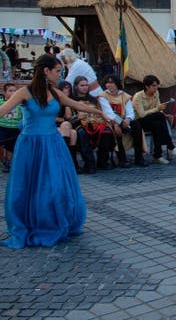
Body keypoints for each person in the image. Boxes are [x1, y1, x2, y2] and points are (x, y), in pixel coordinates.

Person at [0, 54, 107, 249]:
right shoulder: (25, 92)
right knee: (30, 185)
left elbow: (75, 105)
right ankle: (34, 222)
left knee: (55, 183)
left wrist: (99, 112)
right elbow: (4, 108)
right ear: (46, 71)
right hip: (30, 144)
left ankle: (53, 220)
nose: (60, 74)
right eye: (58, 71)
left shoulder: (56, 92)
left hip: (53, 143)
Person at [133, 75, 176, 165]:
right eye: (153, 86)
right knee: (159, 117)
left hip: (152, 119)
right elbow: (141, 114)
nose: (156, 88)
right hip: (139, 121)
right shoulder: (138, 96)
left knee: (157, 124)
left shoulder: (156, 93)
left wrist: (165, 114)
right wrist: (158, 110)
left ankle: (158, 155)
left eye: (157, 85)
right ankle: (171, 147)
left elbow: (158, 108)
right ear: (146, 86)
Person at [98, 75, 146, 168]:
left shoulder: (125, 96)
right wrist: (118, 123)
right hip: (109, 121)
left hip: (123, 120)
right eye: (107, 83)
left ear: (116, 84)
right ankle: (122, 159)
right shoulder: (103, 96)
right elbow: (108, 113)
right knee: (117, 130)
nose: (109, 85)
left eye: (112, 82)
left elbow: (130, 111)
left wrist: (128, 119)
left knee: (136, 126)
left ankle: (139, 157)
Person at [55, 80, 80, 171]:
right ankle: (66, 160)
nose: (67, 90)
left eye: (69, 88)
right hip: (55, 125)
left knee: (73, 133)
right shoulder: (55, 102)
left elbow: (68, 116)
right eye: (65, 88)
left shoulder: (70, 102)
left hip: (66, 126)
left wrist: (67, 103)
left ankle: (72, 162)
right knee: (66, 126)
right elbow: (54, 118)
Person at [0, 83, 22, 172]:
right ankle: (3, 159)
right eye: (10, 91)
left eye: (14, 91)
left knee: (11, 147)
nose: (13, 93)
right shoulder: (1, 102)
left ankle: (8, 162)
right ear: (4, 92)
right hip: (2, 127)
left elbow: (22, 115)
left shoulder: (19, 105)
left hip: (14, 128)